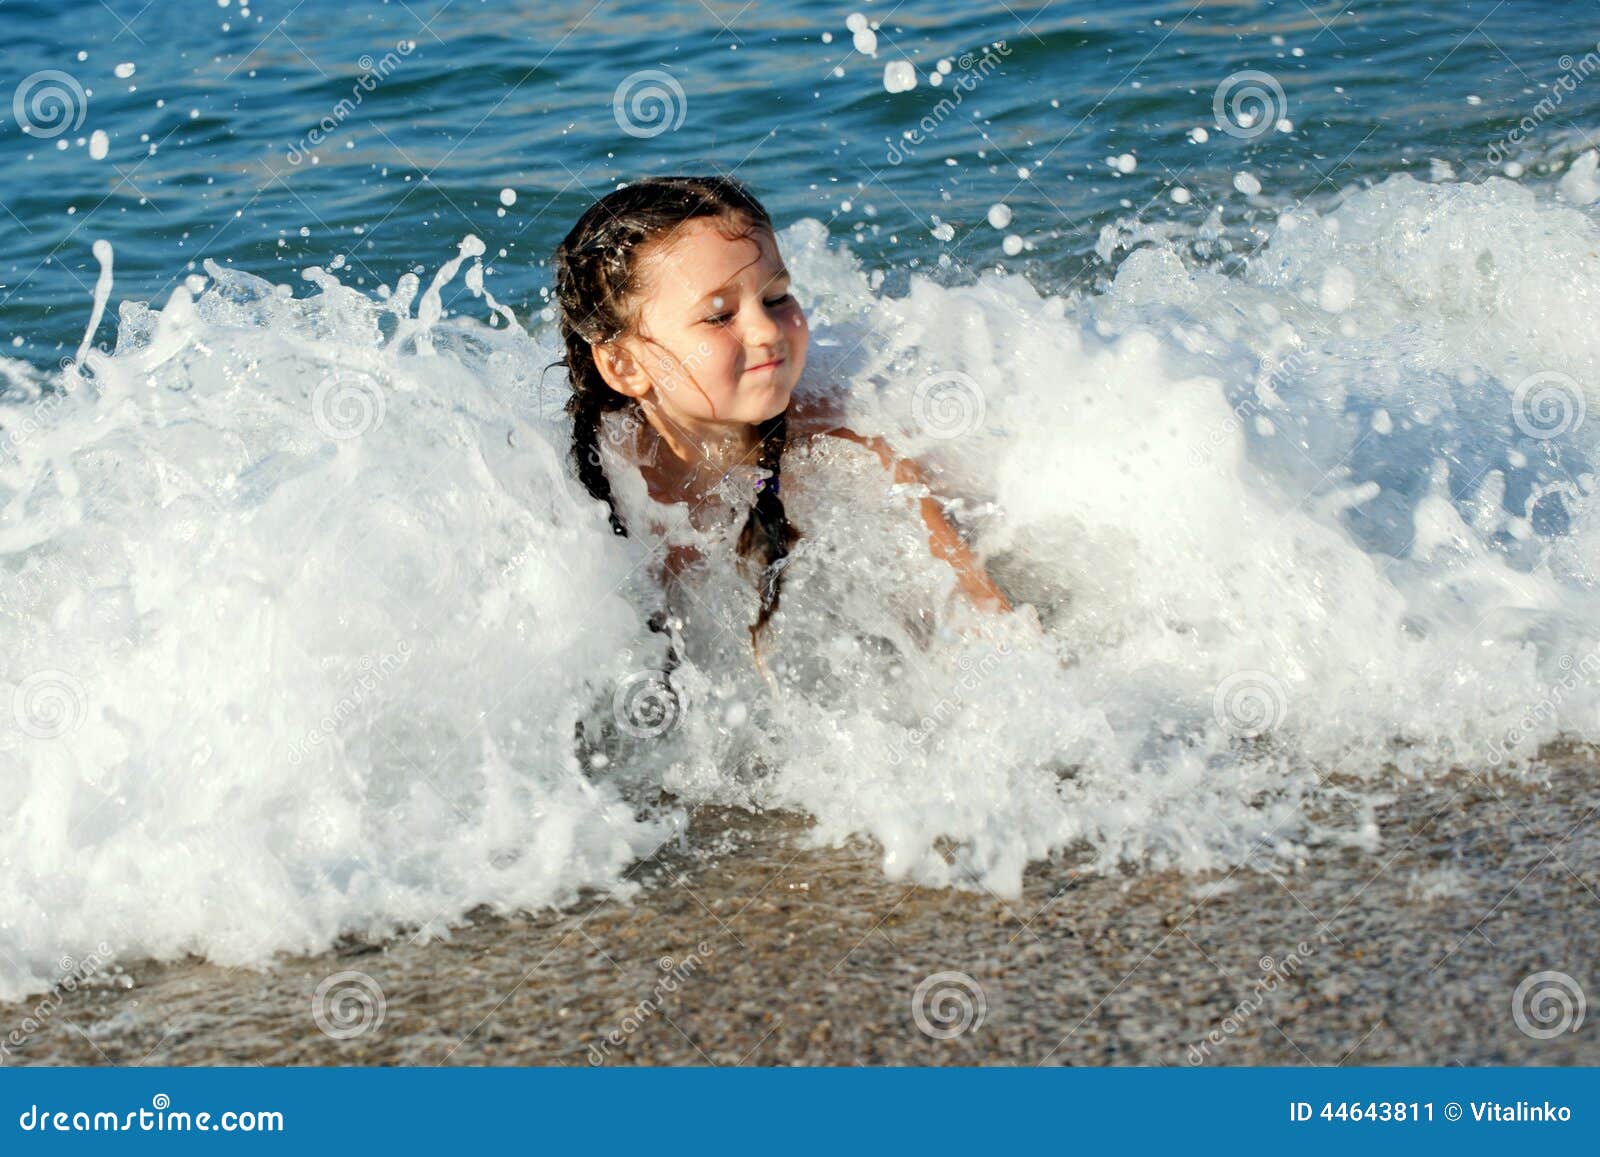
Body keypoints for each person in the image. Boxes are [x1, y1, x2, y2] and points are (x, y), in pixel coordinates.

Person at [551, 174, 1011, 673]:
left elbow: (991, 627)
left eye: (776, 299)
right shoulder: (581, 501)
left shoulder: (849, 449)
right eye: (719, 316)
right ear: (624, 365)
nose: (767, 330)